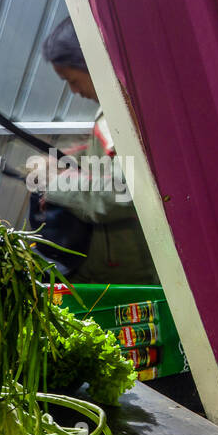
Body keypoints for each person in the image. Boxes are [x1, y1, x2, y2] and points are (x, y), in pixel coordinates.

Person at [37, 18, 156, 284]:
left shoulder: (135, 110)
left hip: (137, 278)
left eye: (73, 80)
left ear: (93, 63)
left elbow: (125, 188)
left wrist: (56, 183)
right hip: (111, 268)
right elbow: (104, 152)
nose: (74, 91)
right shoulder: (114, 106)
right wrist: (65, 159)